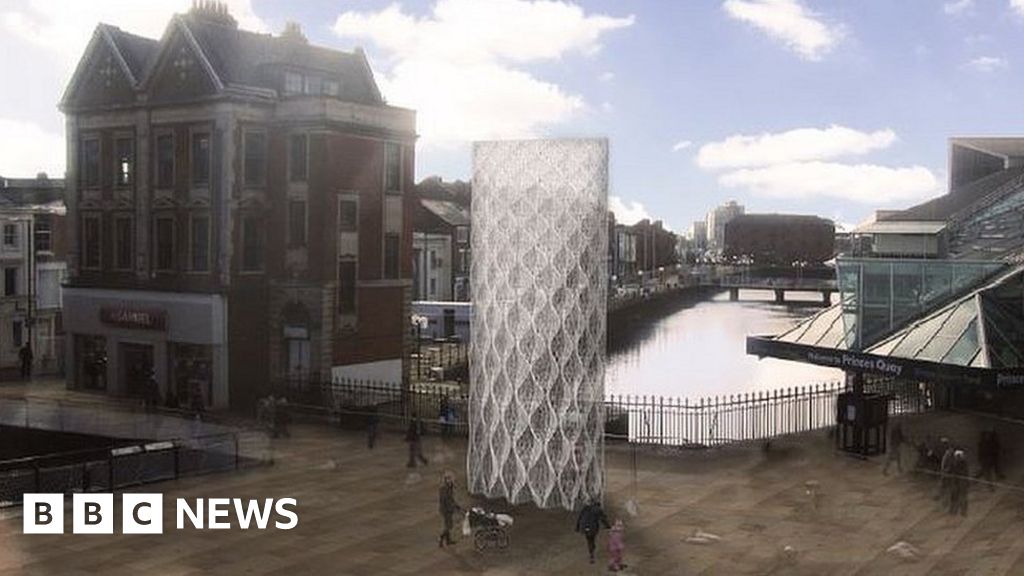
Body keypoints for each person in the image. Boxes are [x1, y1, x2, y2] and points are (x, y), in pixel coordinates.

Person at [575, 496, 611, 564]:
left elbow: (579, 518)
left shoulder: (585, 508)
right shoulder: (598, 509)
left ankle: (591, 552)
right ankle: (592, 551)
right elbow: (603, 519)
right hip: (593, 527)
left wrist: (577, 528)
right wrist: (608, 526)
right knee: (592, 538)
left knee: (589, 540)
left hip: (584, 527)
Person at [438, 471, 462, 547]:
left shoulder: (449, 487)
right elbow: (445, 500)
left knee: (448, 525)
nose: (451, 480)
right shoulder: (444, 488)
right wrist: (452, 506)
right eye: (449, 479)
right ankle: (441, 539)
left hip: (449, 509)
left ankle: (448, 540)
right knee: (448, 526)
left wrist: (456, 506)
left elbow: (451, 499)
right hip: (446, 510)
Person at [949, 449, 969, 516]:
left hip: (959, 482)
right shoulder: (962, 463)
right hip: (959, 482)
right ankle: (959, 511)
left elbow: (965, 473)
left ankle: (958, 511)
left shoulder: (955, 462)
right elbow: (966, 473)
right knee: (959, 497)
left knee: (958, 497)